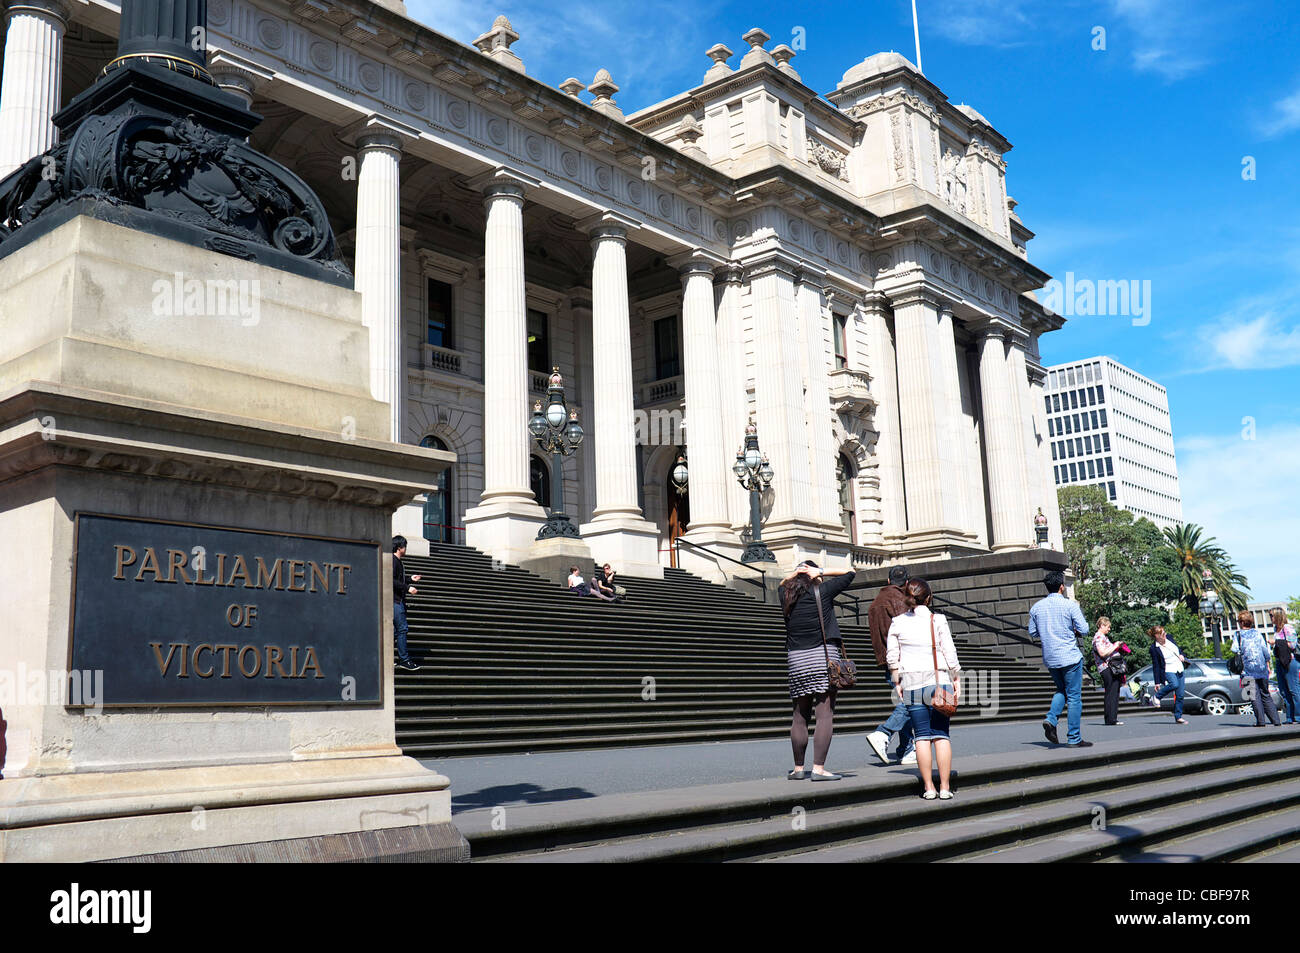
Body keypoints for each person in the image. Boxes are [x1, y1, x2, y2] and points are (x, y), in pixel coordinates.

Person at [780, 560, 856, 781]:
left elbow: (783, 582)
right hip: (823, 658)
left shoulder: (784, 593)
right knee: (824, 715)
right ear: (814, 576)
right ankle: (819, 769)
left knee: (799, 715)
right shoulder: (822, 590)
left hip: (796, 659)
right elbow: (851, 572)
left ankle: (797, 769)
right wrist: (820, 572)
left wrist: (796, 573)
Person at [887, 578, 961, 800]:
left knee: (920, 737)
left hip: (911, 682)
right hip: (938, 680)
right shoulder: (937, 619)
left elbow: (893, 656)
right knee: (941, 735)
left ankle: (928, 787)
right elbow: (949, 650)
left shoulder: (897, 622)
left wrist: (897, 681)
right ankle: (945, 787)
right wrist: (956, 677)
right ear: (928, 597)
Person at [1028, 571, 1092, 748]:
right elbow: (1084, 629)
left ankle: (1051, 719)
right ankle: (1074, 738)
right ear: (1062, 587)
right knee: (1074, 697)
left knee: (1061, 690)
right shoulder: (1069, 605)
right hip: (1069, 655)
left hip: (1051, 657)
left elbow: (1032, 632)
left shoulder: (1036, 607)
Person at [865, 565, 917, 766]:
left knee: (905, 701)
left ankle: (906, 748)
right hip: (903, 660)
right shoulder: (902, 601)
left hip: (886, 661)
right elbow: (906, 634)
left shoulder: (875, 603)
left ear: (888, 581)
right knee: (913, 700)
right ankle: (883, 733)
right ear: (906, 583)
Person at [1232, 611, 1281, 726]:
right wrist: (1267, 663)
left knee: (1253, 696)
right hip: (1261, 668)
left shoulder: (1238, 634)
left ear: (1241, 622)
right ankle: (1276, 720)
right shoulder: (1257, 633)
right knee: (1265, 694)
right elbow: (1265, 650)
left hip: (1247, 670)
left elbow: (1234, 649)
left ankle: (1261, 721)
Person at [1148, 625, 1189, 724]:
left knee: (1180, 695)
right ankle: (1157, 697)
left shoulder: (1170, 638)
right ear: (1157, 636)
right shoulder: (1154, 648)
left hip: (1179, 668)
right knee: (1174, 684)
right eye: (1162, 634)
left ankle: (1178, 717)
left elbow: (1179, 650)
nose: (1165, 634)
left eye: (1164, 632)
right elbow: (1156, 666)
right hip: (1168, 669)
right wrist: (1157, 682)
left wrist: (1182, 655)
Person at [392, 535, 422, 672]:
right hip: (395, 601)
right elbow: (391, 580)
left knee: (394, 631)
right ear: (399, 547)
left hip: (397, 600)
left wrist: (410, 579)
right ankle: (404, 660)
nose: (406, 548)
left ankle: (383, 657)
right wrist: (408, 588)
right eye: (405, 546)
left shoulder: (397, 561)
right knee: (402, 629)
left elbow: (399, 579)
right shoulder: (393, 561)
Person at [1092, 616, 1127, 726]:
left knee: (1114, 691)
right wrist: (1115, 645)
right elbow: (1102, 653)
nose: (1109, 629)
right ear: (1102, 625)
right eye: (1108, 627)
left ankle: (1112, 718)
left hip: (1108, 667)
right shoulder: (1098, 637)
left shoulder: (1103, 637)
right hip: (1106, 667)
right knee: (1111, 691)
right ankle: (1110, 719)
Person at [1270, 608, 1299, 724]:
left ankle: (1298, 716)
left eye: (1272, 615)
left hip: (1290, 661)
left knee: (1294, 689)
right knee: (1283, 690)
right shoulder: (1276, 629)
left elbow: (1292, 644)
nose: (1270, 618)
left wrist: (1276, 642)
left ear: (1278, 616)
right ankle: (1290, 717)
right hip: (1279, 660)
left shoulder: (1287, 628)